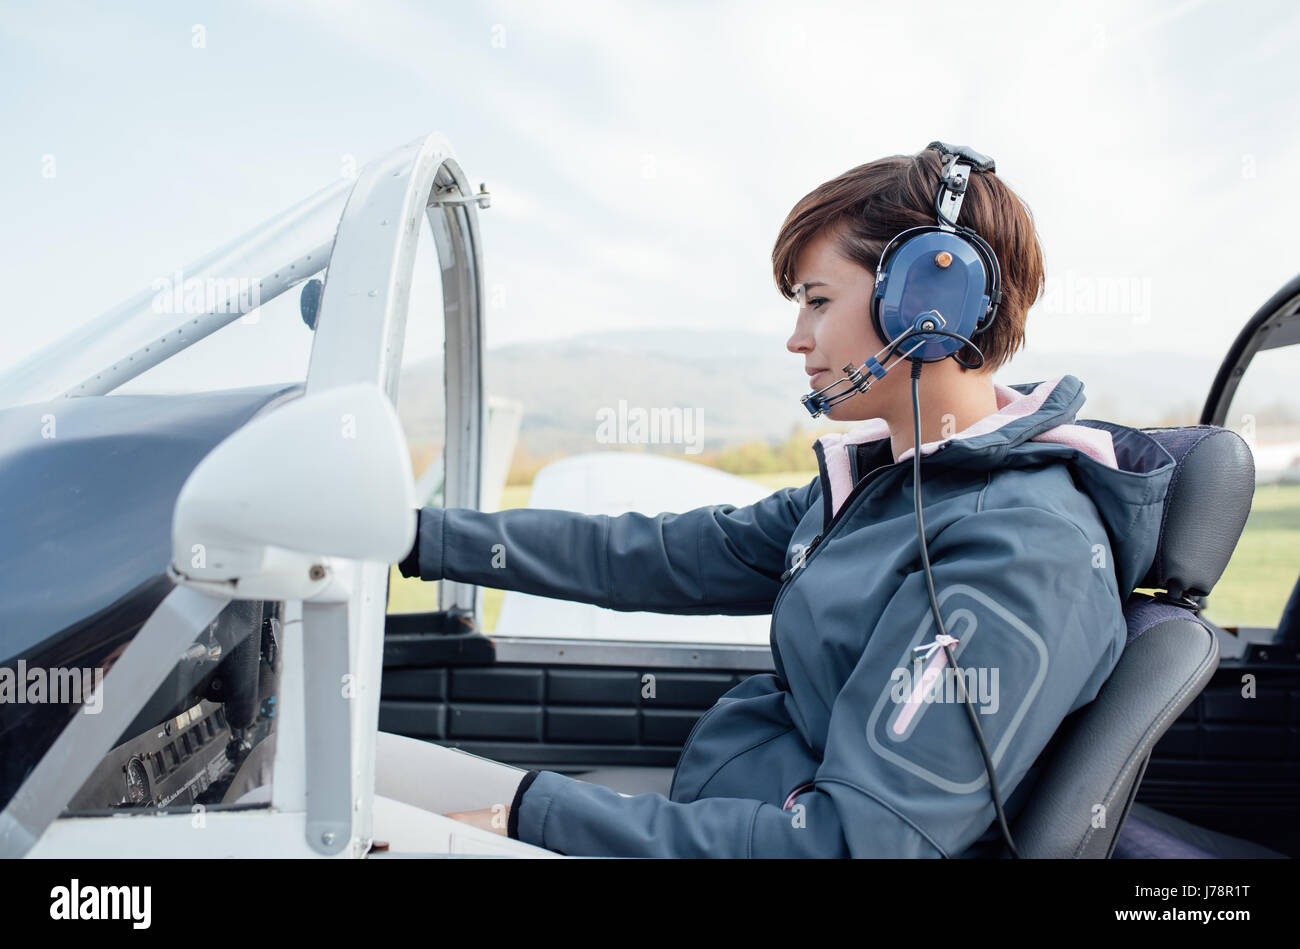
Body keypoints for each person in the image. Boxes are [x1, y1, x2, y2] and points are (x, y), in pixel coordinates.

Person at [384, 143, 1175, 857]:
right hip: (738, 812)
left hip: (775, 839)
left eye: (818, 300)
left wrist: (530, 818)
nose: (797, 337)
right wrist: (413, 535)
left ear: (928, 303)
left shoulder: (1021, 549)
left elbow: (853, 846)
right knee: (358, 779)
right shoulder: (889, 486)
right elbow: (655, 555)